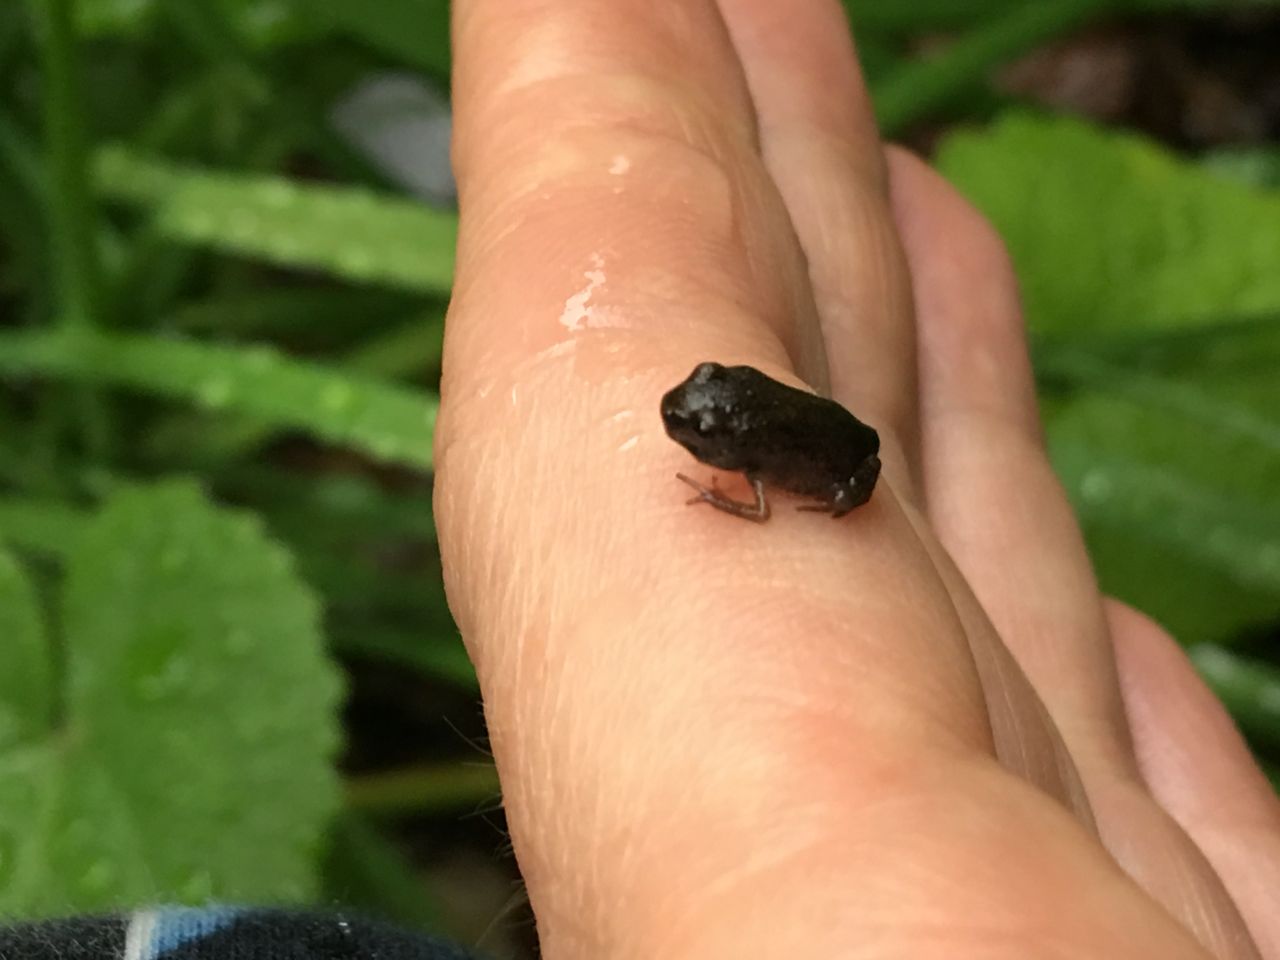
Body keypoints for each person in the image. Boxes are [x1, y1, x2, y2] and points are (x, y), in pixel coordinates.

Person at [8, 1, 1276, 958]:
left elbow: (818, 461)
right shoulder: (735, 418)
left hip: (835, 459)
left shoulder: (768, 456)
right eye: (698, 428)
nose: (688, 432)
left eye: (699, 431)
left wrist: (758, 492)